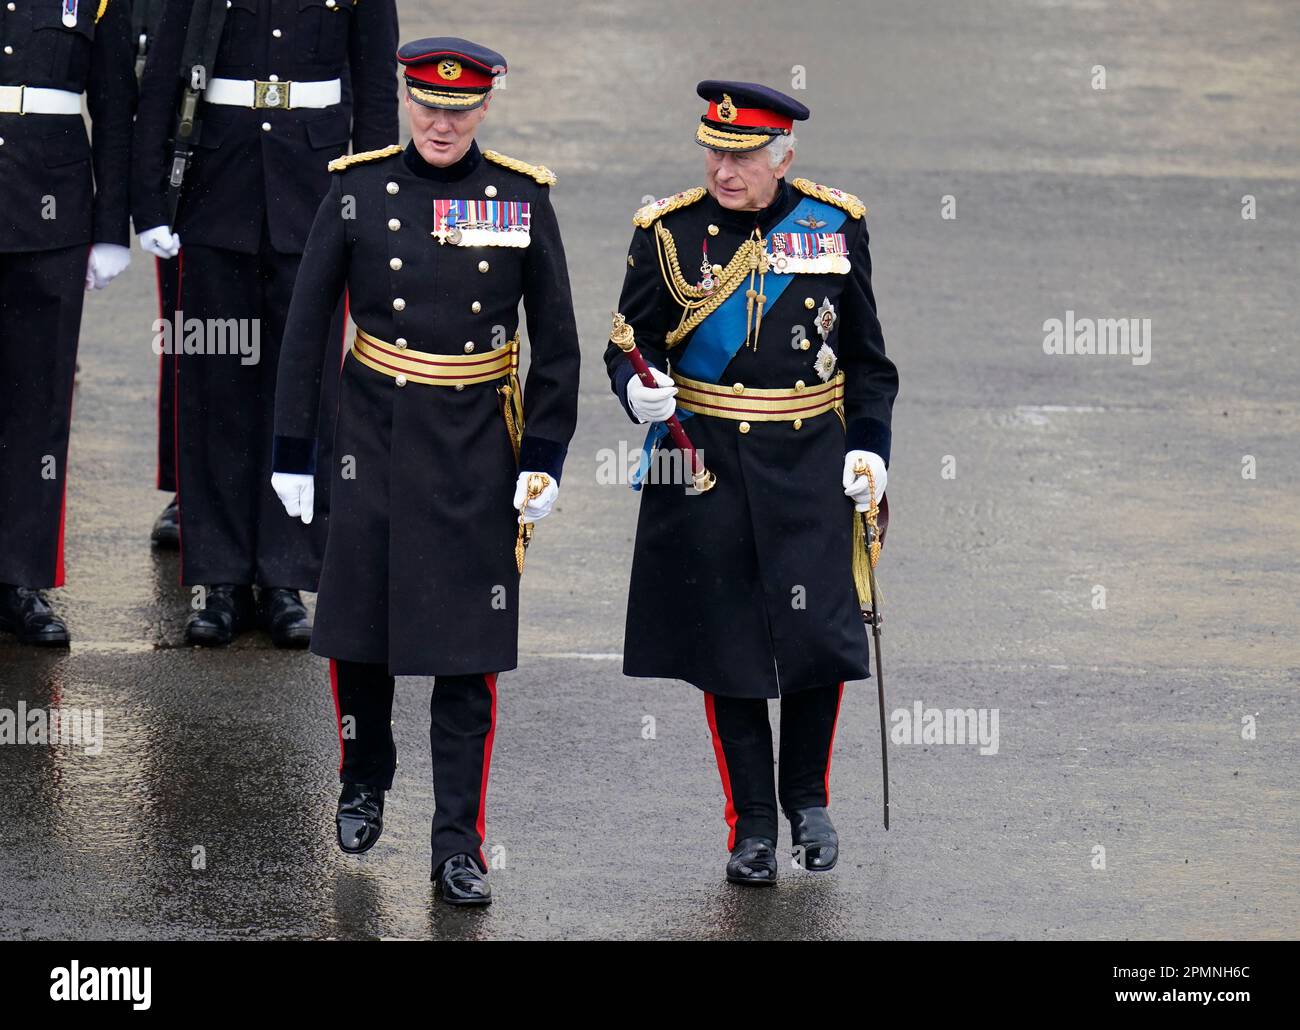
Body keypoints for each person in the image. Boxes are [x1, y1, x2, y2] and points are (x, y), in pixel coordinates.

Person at [271, 38, 581, 905]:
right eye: (427, 106)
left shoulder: (519, 199)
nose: (442, 123)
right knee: (358, 629)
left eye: (460, 109)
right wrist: (293, 451)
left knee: (465, 653)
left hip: (478, 441)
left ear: (484, 110)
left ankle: (458, 844)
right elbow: (305, 331)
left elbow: (556, 345)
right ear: (406, 101)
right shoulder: (357, 188)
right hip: (370, 431)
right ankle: (364, 775)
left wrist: (548, 456)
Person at [603, 80, 898, 885]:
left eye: (743, 156)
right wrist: (640, 389)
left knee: (815, 645)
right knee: (726, 649)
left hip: (810, 460)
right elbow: (628, 340)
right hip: (706, 461)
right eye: (715, 152)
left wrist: (870, 450)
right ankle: (752, 827)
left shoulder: (835, 225)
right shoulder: (667, 231)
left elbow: (870, 364)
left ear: (785, 156)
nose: (724, 170)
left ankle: (807, 799)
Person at [130, 0, 398, 645]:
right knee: (214, 390)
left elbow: (376, 91)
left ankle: (285, 576)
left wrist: (376, 205)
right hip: (217, 186)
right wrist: (148, 201)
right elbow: (165, 75)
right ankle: (219, 579)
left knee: (302, 387)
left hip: (313, 188)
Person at [0, 0, 136, 646]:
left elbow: (115, 108)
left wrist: (112, 229)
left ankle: (21, 578)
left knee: (39, 399)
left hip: (51, 211)